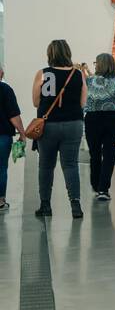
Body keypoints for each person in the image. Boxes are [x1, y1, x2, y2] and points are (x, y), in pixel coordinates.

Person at [30, 40, 88, 219]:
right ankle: (75, 205)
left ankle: (45, 205)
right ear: (67, 53)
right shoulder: (78, 74)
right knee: (70, 165)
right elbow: (82, 103)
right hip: (73, 124)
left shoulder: (43, 73)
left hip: (48, 126)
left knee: (46, 166)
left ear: (50, 54)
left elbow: (35, 102)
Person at [83, 53, 115, 201]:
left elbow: (82, 102)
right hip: (112, 120)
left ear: (100, 64)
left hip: (92, 120)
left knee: (94, 152)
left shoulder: (89, 81)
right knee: (109, 153)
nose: (95, 65)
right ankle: (104, 189)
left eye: (96, 63)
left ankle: (95, 183)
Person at [0, 65, 25, 214]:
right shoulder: (5, 90)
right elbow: (13, 116)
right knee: (1, 168)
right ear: (2, 73)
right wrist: (22, 134)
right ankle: (0, 201)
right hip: (2, 136)